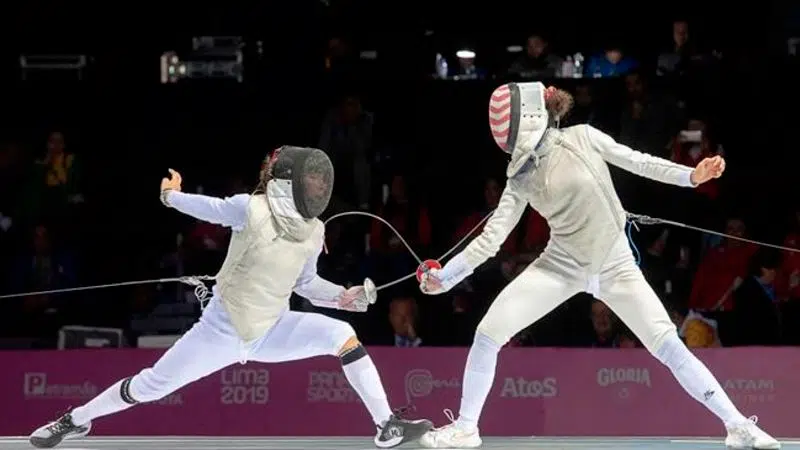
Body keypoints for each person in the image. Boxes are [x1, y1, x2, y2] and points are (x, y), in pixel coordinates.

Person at [416, 83, 780, 449]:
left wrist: (690, 176)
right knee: (487, 333)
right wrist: (445, 278)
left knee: (669, 345)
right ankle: (466, 428)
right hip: (560, 265)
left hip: (615, 264)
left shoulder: (583, 136)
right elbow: (490, 240)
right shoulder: (520, 177)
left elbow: (638, 160)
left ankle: (737, 425)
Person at [29, 146, 432, 449]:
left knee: (342, 334)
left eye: (319, 180)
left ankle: (386, 426)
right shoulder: (250, 209)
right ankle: (75, 420)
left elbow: (307, 285)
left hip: (274, 328)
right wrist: (171, 196)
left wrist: (344, 296)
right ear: (288, 180)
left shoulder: (313, 232)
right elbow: (211, 209)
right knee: (150, 386)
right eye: (310, 179)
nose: (318, 185)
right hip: (221, 331)